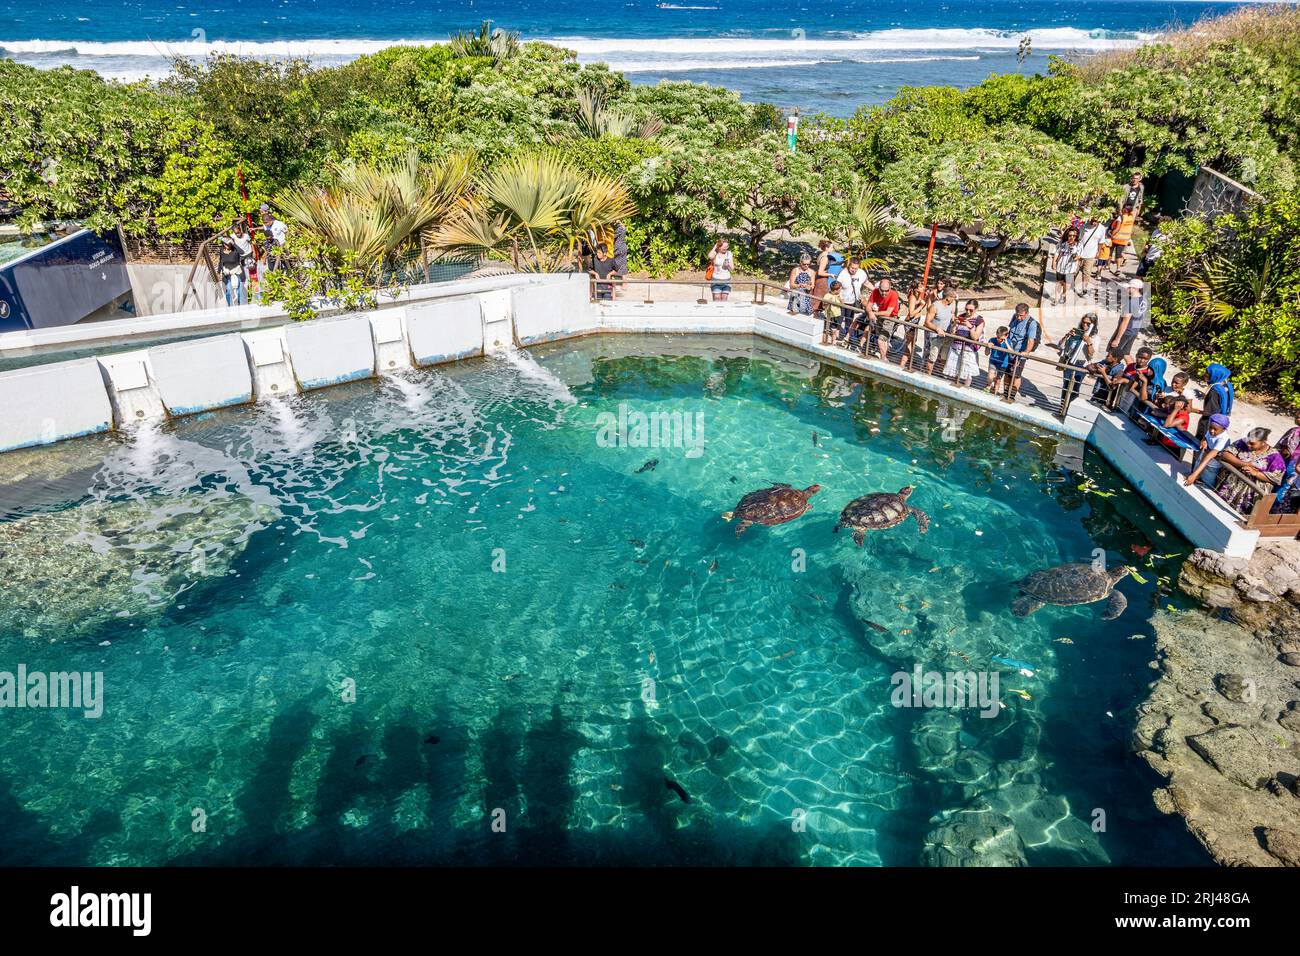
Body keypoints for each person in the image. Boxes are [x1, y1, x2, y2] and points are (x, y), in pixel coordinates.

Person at [1214, 428, 1286, 513]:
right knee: (1217, 507)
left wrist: (1256, 473)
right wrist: (1244, 464)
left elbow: (1276, 479)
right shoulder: (1242, 443)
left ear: (1263, 442)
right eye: (1248, 441)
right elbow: (1225, 454)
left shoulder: (1275, 458)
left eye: (1252, 444)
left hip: (1249, 493)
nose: (1248, 445)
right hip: (1230, 484)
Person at [1052, 313, 1096, 413]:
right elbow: (1060, 345)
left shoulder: (1095, 337)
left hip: (1081, 364)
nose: (1085, 325)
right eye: (1083, 322)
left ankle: (1070, 411)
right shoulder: (1076, 332)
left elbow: (1092, 354)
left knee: (1075, 388)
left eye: (1088, 323)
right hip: (1069, 361)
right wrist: (1067, 336)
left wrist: (1088, 342)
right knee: (1066, 385)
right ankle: (1062, 409)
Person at [943, 298, 984, 386]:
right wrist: (954, 324)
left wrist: (970, 327)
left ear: (976, 309)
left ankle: (966, 389)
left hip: (968, 350)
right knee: (955, 370)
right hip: (956, 348)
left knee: (967, 373)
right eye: (966, 309)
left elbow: (975, 337)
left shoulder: (979, 320)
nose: (968, 312)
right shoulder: (961, 316)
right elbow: (952, 333)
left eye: (971, 310)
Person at [1003, 302, 1041, 398]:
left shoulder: (1031, 323)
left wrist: (1026, 352)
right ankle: (1005, 393)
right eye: (1017, 315)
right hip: (1010, 349)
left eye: (1021, 316)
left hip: (1021, 353)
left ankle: (1011, 396)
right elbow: (1009, 330)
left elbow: (1030, 340)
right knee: (1007, 373)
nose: (1018, 318)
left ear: (1027, 313)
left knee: (1016, 375)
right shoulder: (1014, 317)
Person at [1184, 414, 1231, 487]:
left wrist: (1194, 474)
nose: (1212, 431)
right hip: (1201, 460)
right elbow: (1205, 437)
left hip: (1212, 467)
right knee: (1195, 482)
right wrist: (1204, 441)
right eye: (1210, 428)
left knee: (1206, 486)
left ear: (1223, 429)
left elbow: (1209, 457)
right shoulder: (1211, 430)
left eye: (1215, 429)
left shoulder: (1223, 439)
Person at [1195, 363, 1235, 439]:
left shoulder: (1215, 391)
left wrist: (1192, 410)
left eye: (1208, 374)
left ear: (1216, 376)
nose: (1204, 375)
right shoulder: (1227, 385)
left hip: (1210, 423)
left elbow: (1209, 412)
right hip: (1221, 421)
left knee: (1200, 443)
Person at [924, 289, 957, 375]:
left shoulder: (951, 305)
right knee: (932, 358)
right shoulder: (935, 306)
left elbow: (952, 317)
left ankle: (940, 375)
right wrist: (937, 329)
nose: (955, 299)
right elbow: (927, 322)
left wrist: (955, 322)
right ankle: (928, 375)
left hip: (947, 336)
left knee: (944, 358)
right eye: (954, 297)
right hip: (936, 336)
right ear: (948, 298)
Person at [867, 278, 900, 360]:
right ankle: (884, 358)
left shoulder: (894, 294)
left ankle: (883, 359)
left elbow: (888, 312)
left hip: (890, 318)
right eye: (882, 290)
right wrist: (870, 312)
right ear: (879, 288)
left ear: (890, 288)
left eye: (886, 290)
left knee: (881, 340)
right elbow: (868, 306)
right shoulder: (875, 292)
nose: (884, 293)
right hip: (879, 317)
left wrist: (873, 313)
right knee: (882, 340)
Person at [898, 280, 927, 371]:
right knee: (909, 346)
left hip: (915, 323)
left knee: (912, 344)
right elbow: (911, 314)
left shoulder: (917, 296)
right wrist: (921, 306)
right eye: (921, 286)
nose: (923, 288)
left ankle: (908, 363)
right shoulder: (913, 298)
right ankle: (901, 366)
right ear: (916, 288)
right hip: (910, 323)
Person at [1076, 215, 1106, 295]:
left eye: (1096, 221)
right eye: (1092, 220)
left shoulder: (1102, 229)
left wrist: (1098, 252)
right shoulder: (1083, 226)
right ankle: (1068, 287)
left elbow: (1101, 242)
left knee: (1086, 272)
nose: (1093, 222)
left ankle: (1084, 289)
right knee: (1074, 271)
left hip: (1091, 255)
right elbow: (1078, 239)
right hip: (1079, 253)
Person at [1051, 226, 1080, 305]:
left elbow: (1079, 256)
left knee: (1066, 285)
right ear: (1067, 235)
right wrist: (1053, 262)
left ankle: (1063, 295)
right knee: (1059, 283)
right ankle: (1056, 300)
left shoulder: (1079, 245)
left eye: (1074, 236)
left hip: (1070, 269)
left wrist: (1075, 256)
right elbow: (1056, 253)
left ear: (1076, 236)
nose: (1072, 237)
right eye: (1070, 235)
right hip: (1060, 267)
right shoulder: (1062, 243)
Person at [1107, 205, 1136, 276]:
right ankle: (1118, 269)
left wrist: (1111, 235)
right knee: (1118, 254)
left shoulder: (1121, 217)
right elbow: (1135, 211)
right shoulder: (1131, 217)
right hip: (1124, 239)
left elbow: (1117, 228)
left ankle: (1107, 266)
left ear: (1125, 210)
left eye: (1123, 208)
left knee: (1109, 252)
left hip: (1116, 238)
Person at [218, 236, 247, 307]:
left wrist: (233, 244)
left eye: (228, 244)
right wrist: (218, 272)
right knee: (228, 290)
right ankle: (230, 306)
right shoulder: (222, 250)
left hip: (237, 271)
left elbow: (242, 252)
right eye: (225, 244)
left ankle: (240, 305)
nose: (226, 245)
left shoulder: (235, 250)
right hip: (227, 272)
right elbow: (221, 261)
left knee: (239, 290)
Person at [985, 326, 1014, 394]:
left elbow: (1012, 353)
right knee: (990, 376)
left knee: (998, 380)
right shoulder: (992, 340)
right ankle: (988, 386)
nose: (998, 339)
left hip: (1003, 364)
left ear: (1006, 336)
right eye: (997, 337)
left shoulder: (1009, 342)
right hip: (993, 361)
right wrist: (988, 347)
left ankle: (995, 392)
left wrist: (1006, 343)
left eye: (1001, 338)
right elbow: (986, 353)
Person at [812, 240, 838, 315]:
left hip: (820, 279)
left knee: (819, 296)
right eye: (832, 247)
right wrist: (830, 275)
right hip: (822, 280)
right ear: (827, 247)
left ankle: (816, 313)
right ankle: (815, 314)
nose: (832, 249)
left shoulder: (821, 255)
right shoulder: (825, 257)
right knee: (820, 297)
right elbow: (820, 272)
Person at [821, 281, 845, 345]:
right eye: (840, 289)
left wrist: (840, 300)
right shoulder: (827, 295)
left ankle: (833, 342)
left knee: (834, 330)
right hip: (829, 315)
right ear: (836, 290)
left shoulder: (839, 295)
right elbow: (823, 306)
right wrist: (828, 302)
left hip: (836, 315)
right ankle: (824, 340)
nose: (840, 290)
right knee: (826, 329)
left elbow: (843, 304)